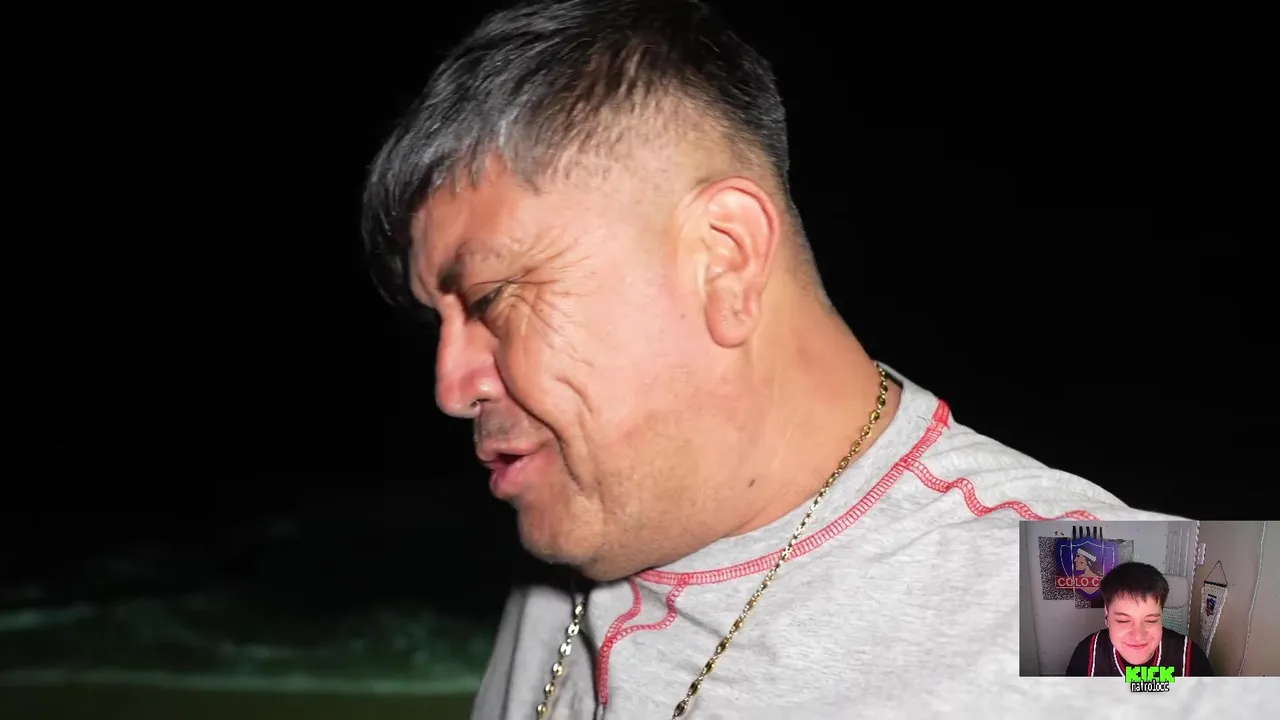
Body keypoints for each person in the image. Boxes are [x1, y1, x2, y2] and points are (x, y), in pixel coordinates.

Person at [360, 1, 1262, 717]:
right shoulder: (577, 536)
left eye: (492, 299)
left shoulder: (1083, 578)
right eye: (438, 323)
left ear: (723, 259)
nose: (452, 385)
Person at [1065, 562, 1214, 677]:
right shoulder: (1088, 654)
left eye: (1151, 621)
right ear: (1106, 615)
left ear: (1161, 615)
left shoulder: (1190, 658)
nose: (1138, 636)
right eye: (1123, 621)